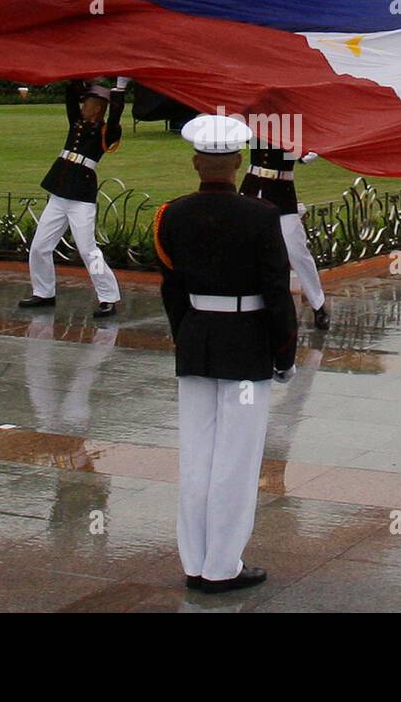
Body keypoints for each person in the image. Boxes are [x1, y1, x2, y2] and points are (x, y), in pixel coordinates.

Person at [153, 113, 297, 594]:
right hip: (247, 341)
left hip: (196, 339)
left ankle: (194, 560)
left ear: (197, 162)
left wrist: (187, 333)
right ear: (238, 162)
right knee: (236, 458)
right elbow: (277, 290)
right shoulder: (261, 216)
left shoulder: (171, 213)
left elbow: (171, 287)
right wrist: (284, 351)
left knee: (196, 455)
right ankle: (221, 566)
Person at [21, 78, 128, 317]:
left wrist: (119, 89)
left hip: (80, 195)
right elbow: (70, 96)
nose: (84, 106)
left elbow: (116, 115)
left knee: (88, 250)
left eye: (89, 103)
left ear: (99, 107)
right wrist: (77, 75)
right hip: (60, 190)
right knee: (39, 246)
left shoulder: (107, 131)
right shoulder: (77, 124)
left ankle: (108, 296)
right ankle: (43, 292)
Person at [240, 141, 330, 330]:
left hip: (281, 192)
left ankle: (318, 304)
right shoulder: (256, 117)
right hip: (252, 188)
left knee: (296, 251)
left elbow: (307, 155)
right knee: (243, 246)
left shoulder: (295, 125)